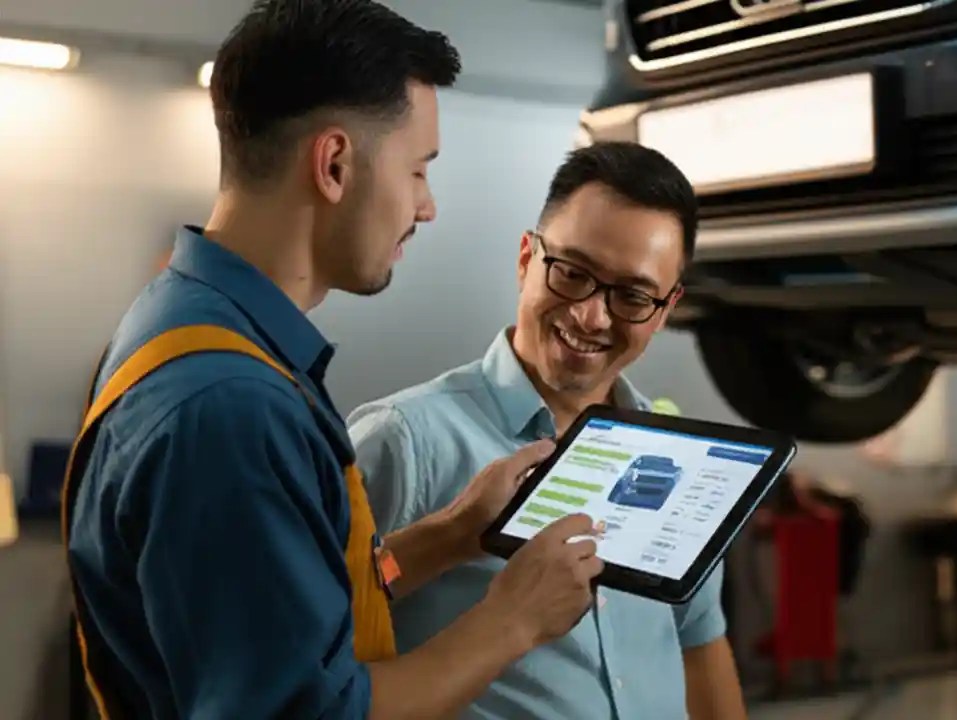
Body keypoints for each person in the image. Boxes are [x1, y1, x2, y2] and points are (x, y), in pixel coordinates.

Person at [61, 2, 604, 718]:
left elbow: (282, 614)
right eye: (418, 170)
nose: (428, 205)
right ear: (335, 163)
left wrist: (448, 537)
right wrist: (513, 620)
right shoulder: (231, 405)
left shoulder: (184, 324)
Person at [349, 141, 750, 719]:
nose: (591, 316)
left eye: (633, 296)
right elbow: (311, 627)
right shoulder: (404, 442)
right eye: (572, 273)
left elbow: (699, 646)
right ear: (525, 259)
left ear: (665, 310)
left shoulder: (680, 456)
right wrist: (446, 542)